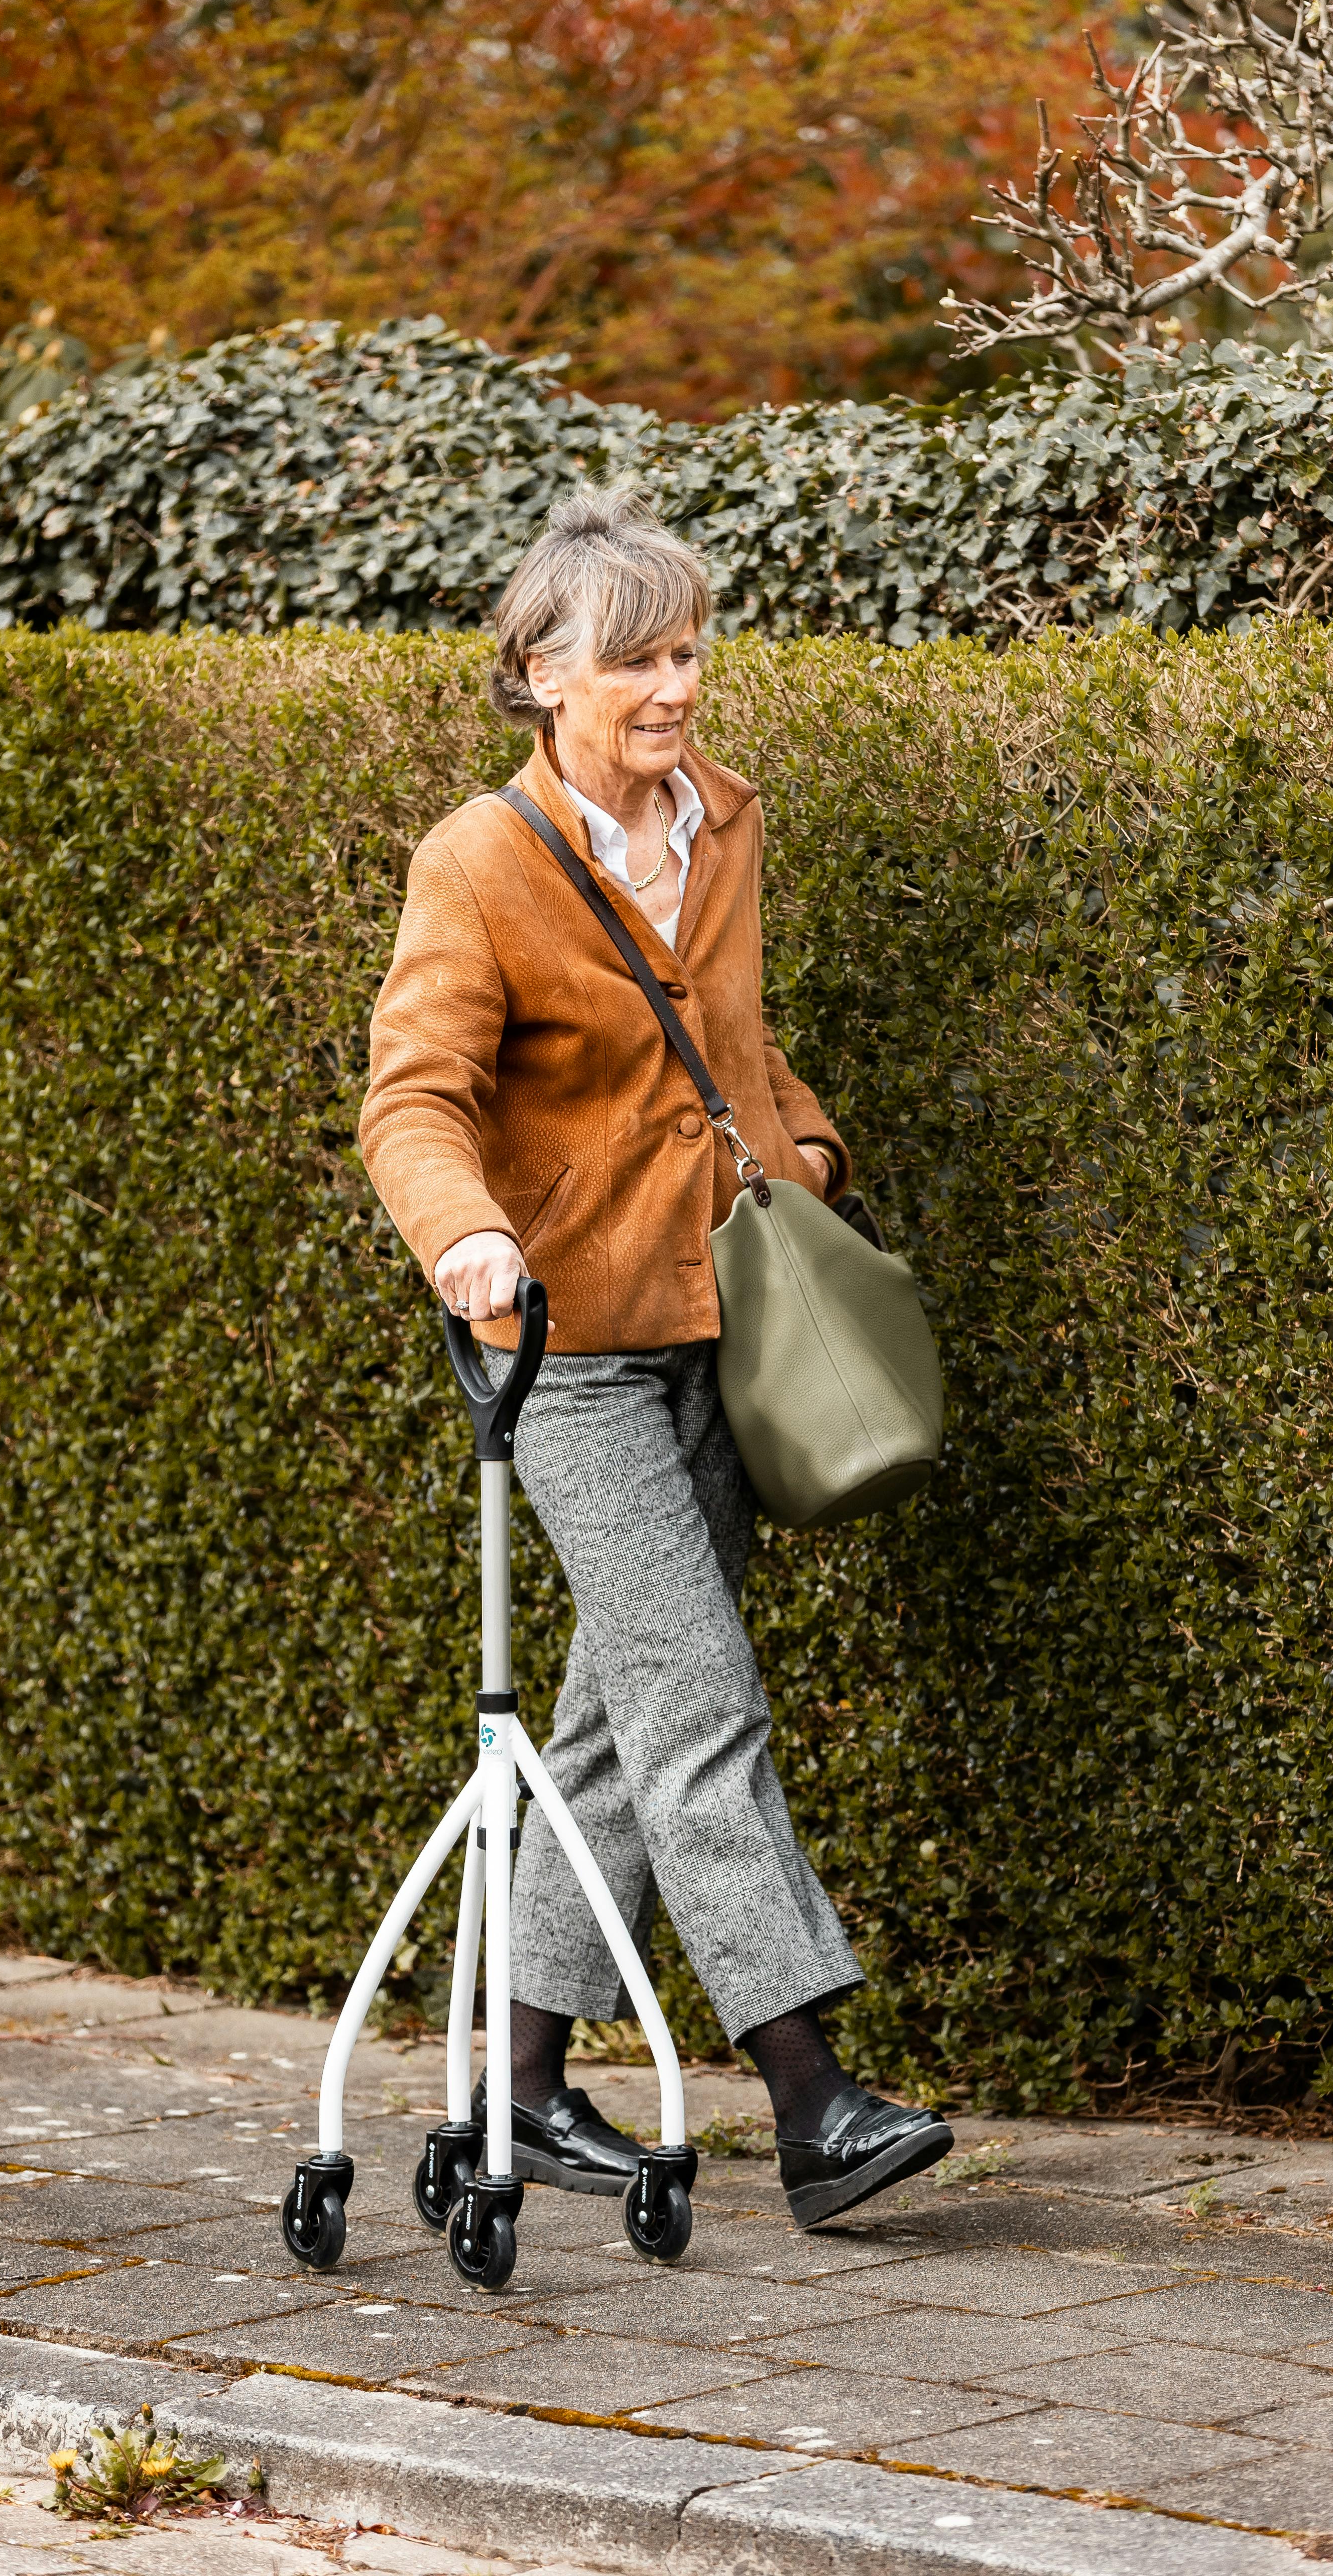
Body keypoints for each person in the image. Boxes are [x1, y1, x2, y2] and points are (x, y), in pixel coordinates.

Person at [359, 485, 951, 2229]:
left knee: (616, 1730)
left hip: (729, 1328)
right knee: (701, 1709)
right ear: (546, 674)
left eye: (690, 649)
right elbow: (413, 1098)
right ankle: (814, 2099)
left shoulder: (725, 821)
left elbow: (740, 1054)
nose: (677, 685)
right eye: (638, 659)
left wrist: (806, 1159)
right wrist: (464, 1235)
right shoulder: (481, 860)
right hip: (569, 1353)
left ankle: (520, 2093)